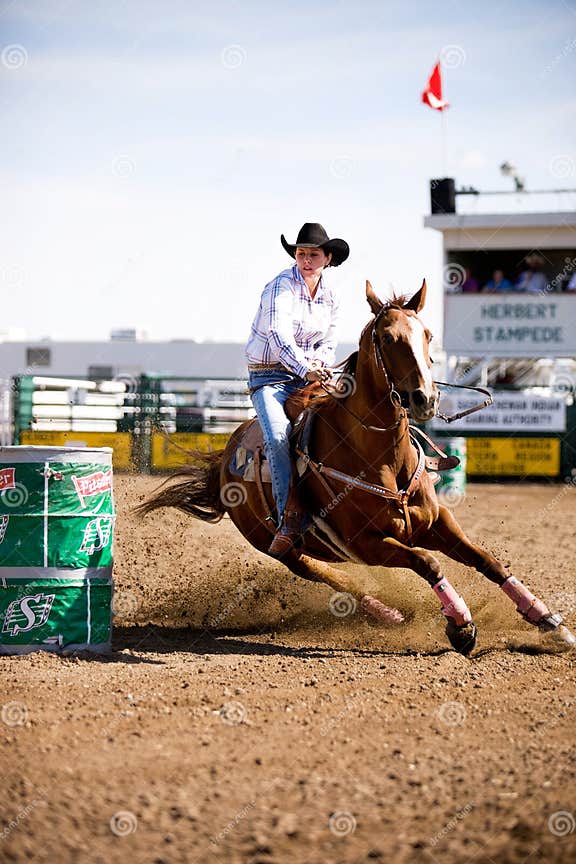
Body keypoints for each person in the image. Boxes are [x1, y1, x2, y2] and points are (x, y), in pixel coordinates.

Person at [245, 222, 349, 558]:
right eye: (301, 253)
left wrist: (319, 365)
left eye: (313, 254)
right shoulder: (280, 287)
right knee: (277, 437)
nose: (305, 259)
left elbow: (329, 340)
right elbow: (278, 335)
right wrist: (306, 368)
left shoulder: (331, 296)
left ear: (327, 258)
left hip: (307, 375)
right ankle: (287, 519)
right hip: (269, 377)